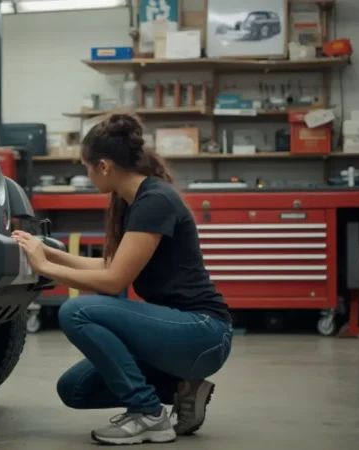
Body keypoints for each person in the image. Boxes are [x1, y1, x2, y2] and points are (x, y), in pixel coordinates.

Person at [12, 113, 233, 445]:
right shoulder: (135, 201)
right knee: (73, 389)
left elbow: (114, 282)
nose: (86, 176)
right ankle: (182, 386)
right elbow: (107, 266)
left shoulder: (155, 200)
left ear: (104, 166)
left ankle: (148, 415)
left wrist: (46, 268)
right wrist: (45, 251)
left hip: (204, 332)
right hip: (178, 333)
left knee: (76, 312)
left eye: (87, 168)